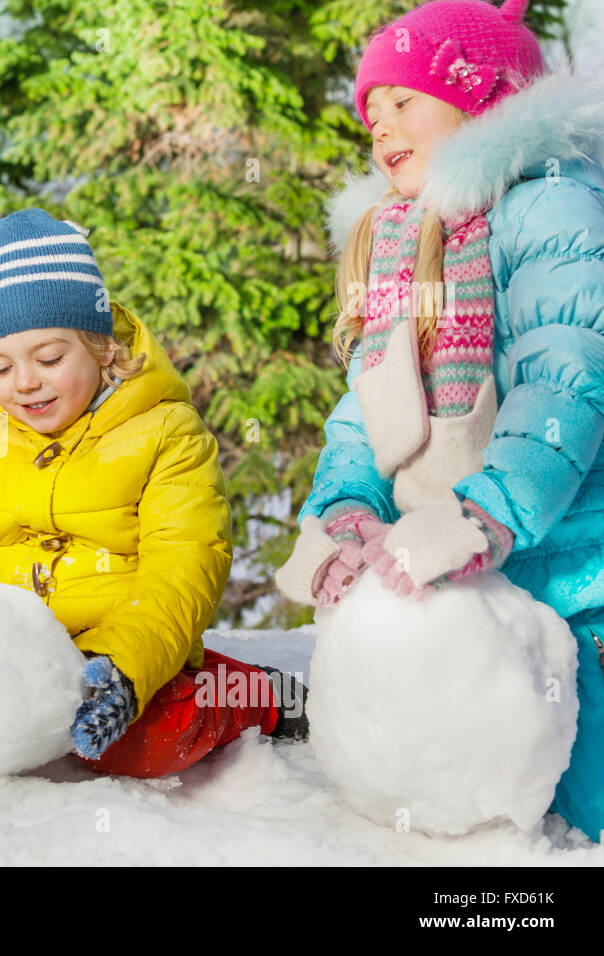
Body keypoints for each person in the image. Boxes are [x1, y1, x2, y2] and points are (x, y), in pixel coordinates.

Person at [276, 0, 604, 840]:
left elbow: (566, 375)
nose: (380, 124)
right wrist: (344, 509)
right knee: (472, 799)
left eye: (403, 100)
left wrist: (490, 508)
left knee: (582, 798)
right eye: (370, 113)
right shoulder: (397, 245)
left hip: (577, 564)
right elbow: (368, 411)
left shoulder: (550, 208)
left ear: (482, 99)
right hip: (470, 568)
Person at [0, 208, 308, 777]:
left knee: (147, 742)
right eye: (0, 367)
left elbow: (184, 565)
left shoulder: (166, 431)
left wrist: (123, 665)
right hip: (4, 643)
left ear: (103, 346)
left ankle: (247, 694)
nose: (25, 382)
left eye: (50, 358)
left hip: (114, 640)